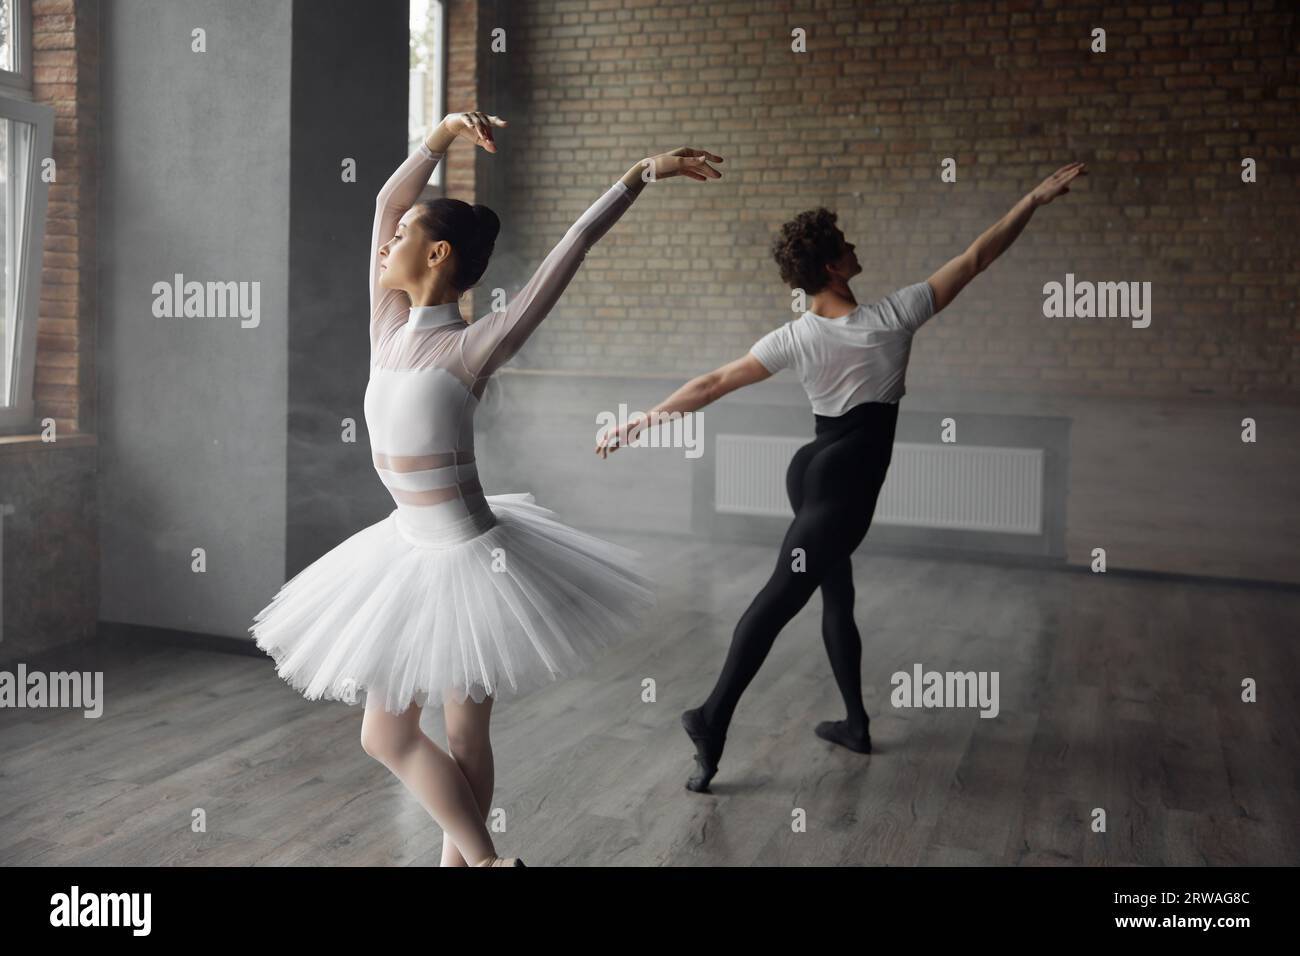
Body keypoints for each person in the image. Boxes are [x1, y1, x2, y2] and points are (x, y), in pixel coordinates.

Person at [251, 109, 724, 861]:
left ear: (436, 253)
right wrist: (439, 138)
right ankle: (485, 864)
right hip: (405, 552)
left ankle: (483, 863)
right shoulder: (389, 324)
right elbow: (381, 204)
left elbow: (569, 252)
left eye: (403, 237)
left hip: (470, 558)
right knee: (391, 736)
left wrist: (637, 178)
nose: (385, 244)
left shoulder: (474, 345)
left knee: (454, 734)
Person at [596, 162, 1087, 792]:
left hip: (814, 470)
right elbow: (974, 259)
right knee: (781, 596)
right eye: (846, 245)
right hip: (843, 485)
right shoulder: (894, 316)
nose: (856, 249)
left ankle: (855, 723)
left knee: (836, 592)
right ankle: (711, 717)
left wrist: (641, 420)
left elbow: (714, 383)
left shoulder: (797, 335)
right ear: (831, 268)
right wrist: (1033, 198)